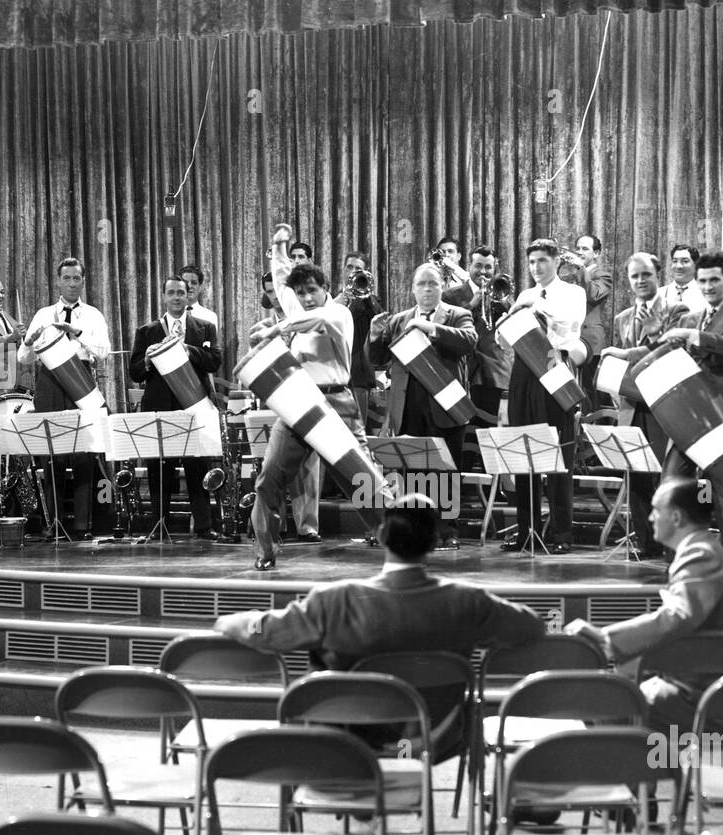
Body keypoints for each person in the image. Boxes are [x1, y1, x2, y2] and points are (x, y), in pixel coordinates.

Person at [216, 494, 546, 756]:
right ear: (433, 542)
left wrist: (232, 621)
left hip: (347, 734)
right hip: (436, 736)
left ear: (381, 536)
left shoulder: (335, 601)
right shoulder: (470, 601)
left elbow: (266, 631)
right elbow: (531, 627)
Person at [567, 479, 723, 735]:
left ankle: (638, 768)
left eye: (656, 510)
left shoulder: (700, 555)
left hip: (711, 699)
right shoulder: (703, 550)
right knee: (610, 695)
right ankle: (648, 768)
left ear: (677, 517)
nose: (650, 517)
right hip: (706, 688)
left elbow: (678, 616)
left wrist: (607, 639)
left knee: (602, 700)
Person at [249, 248, 382, 571]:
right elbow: (282, 285)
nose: (307, 297)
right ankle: (265, 550)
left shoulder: (338, 312)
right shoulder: (296, 309)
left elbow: (316, 319)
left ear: (325, 290)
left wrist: (276, 329)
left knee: (364, 479)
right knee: (268, 480)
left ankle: (400, 542)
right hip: (298, 401)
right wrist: (279, 250)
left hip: (336, 404)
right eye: (302, 292)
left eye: (312, 290)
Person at [659, 253, 723, 577]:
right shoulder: (693, 317)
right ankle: (684, 552)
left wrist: (695, 337)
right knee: (676, 480)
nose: (707, 286)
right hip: (691, 410)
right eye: (702, 281)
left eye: (714, 280)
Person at [367, 263, 478, 546]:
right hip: (408, 406)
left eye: (433, 284)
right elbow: (377, 359)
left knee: (446, 472)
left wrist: (429, 327)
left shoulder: (457, 314)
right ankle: (418, 532)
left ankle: (447, 531)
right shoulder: (399, 319)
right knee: (413, 473)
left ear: (442, 287)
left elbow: (469, 341)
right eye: (421, 284)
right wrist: (373, 335)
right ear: (413, 288)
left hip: (446, 405)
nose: (427, 289)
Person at [498, 238, 588, 554]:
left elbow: (569, 327)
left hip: (552, 365)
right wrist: (513, 312)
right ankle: (528, 531)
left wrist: (534, 310)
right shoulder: (525, 294)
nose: (537, 268)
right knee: (526, 452)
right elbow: (503, 340)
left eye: (542, 261)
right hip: (524, 371)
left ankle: (562, 534)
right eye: (532, 262)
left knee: (559, 456)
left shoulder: (573, 292)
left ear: (555, 262)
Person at [599, 252, 689, 556]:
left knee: (668, 478)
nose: (640, 281)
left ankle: (672, 546)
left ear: (658, 276)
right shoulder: (622, 318)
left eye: (646, 275)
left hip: (665, 405)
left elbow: (671, 350)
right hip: (631, 405)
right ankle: (645, 543)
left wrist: (627, 354)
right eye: (634, 276)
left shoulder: (677, 310)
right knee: (637, 477)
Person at [17, 257, 113, 539]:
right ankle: (54, 524)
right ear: (58, 281)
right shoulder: (44, 314)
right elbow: (24, 359)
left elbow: (104, 352)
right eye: (67, 278)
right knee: (52, 455)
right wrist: (28, 341)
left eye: (77, 278)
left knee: (83, 453)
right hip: (49, 383)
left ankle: (82, 525)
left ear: (83, 281)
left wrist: (77, 333)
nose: (72, 283)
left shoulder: (93, 315)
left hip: (81, 381)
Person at [128, 275, 223, 537]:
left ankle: (204, 526)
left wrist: (187, 349)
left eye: (181, 292)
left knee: (197, 468)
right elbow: (135, 372)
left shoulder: (204, 327)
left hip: (195, 408)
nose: (177, 297)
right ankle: (160, 526)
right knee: (160, 470)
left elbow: (215, 362)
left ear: (189, 294)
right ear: (164, 296)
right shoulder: (147, 331)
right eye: (171, 292)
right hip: (160, 408)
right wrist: (147, 360)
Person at [249, 273, 322, 541]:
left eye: (277, 290)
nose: (274, 297)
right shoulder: (263, 326)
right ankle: (273, 528)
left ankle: (307, 527)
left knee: (307, 467)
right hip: (276, 399)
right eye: (268, 292)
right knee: (274, 467)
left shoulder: (309, 320)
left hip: (306, 397)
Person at [443, 245, 510, 426]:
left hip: (493, 370)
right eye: (478, 266)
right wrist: (472, 304)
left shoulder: (501, 293)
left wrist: (502, 303)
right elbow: (445, 325)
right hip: (463, 368)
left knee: (489, 428)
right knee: (463, 429)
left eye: (488, 267)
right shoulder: (449, 295)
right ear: (469, 267)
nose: (483, 272)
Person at [334, 251, 384, 429]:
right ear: (343, 270)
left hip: (358, 377)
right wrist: (334, 306)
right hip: (332, 376)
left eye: (358, 269)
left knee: (358, 434)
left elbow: (378, 322)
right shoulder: (330, 300)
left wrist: (365, 294)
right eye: (350, 267)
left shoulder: (370, 301)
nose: (353, 272)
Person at [575, 233, 615, 411]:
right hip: (570, 339)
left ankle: (594, 433)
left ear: (597, 253)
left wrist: (580, 269)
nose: (580, 252)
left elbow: (593, 295)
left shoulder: (602, 275)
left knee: (590, 391)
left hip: (590, 340)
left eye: (585, 248)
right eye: (578, 248)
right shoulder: (569, 275)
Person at [657, 243, 709, 318]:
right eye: (675, 261)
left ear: (696, 265)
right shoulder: (659, 294)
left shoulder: (705, 295)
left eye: (685, 261)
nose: (679, 266)